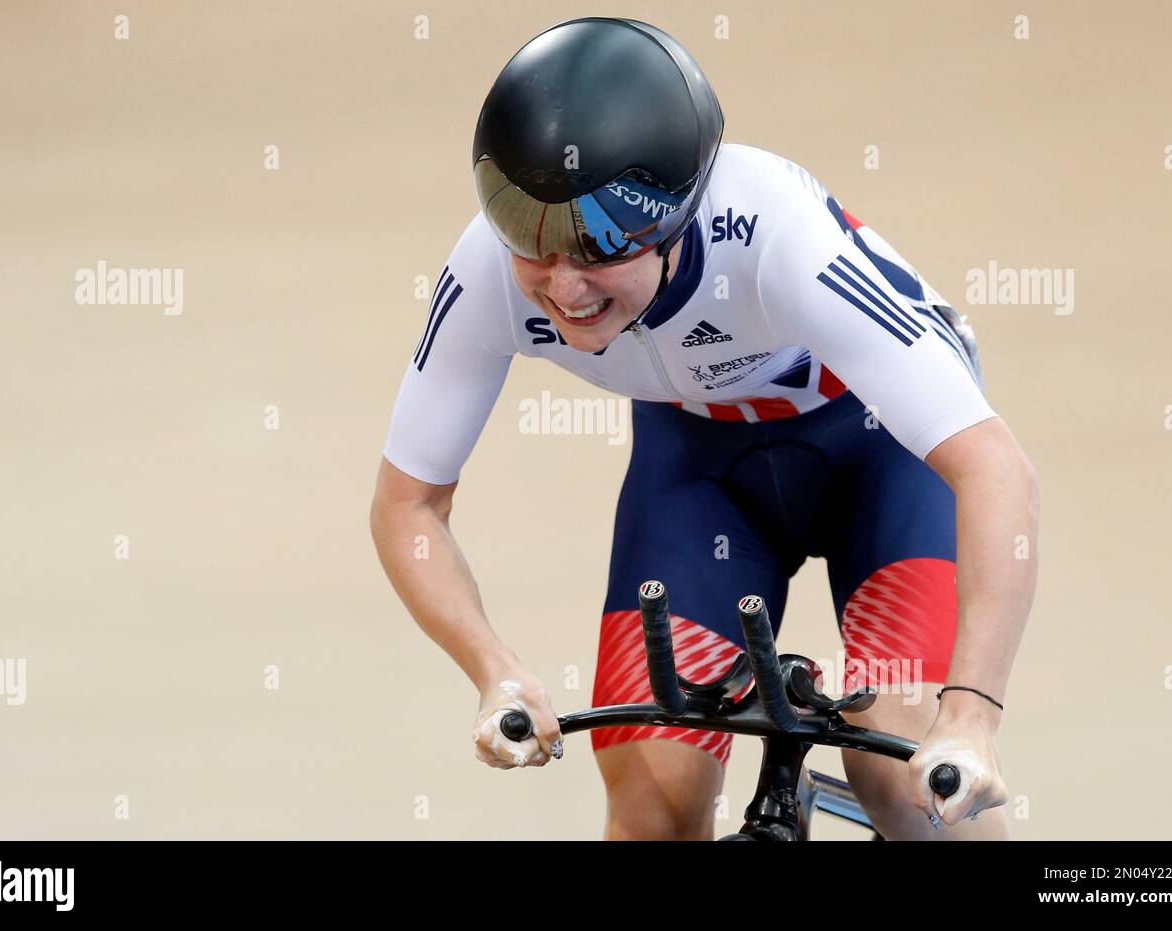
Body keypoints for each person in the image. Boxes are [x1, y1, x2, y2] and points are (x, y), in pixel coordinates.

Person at [370, 16, 1039, 840]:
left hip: (878, 453)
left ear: (681, 214)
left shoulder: (777, 238)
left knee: (912, 777)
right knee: (653, 802)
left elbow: (995, 468)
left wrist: (971, 711)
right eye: (530, 238)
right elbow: (407, 505)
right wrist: (494, 670)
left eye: (601, 242)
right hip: (700, 473)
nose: (563, 284)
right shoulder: (487, 272)